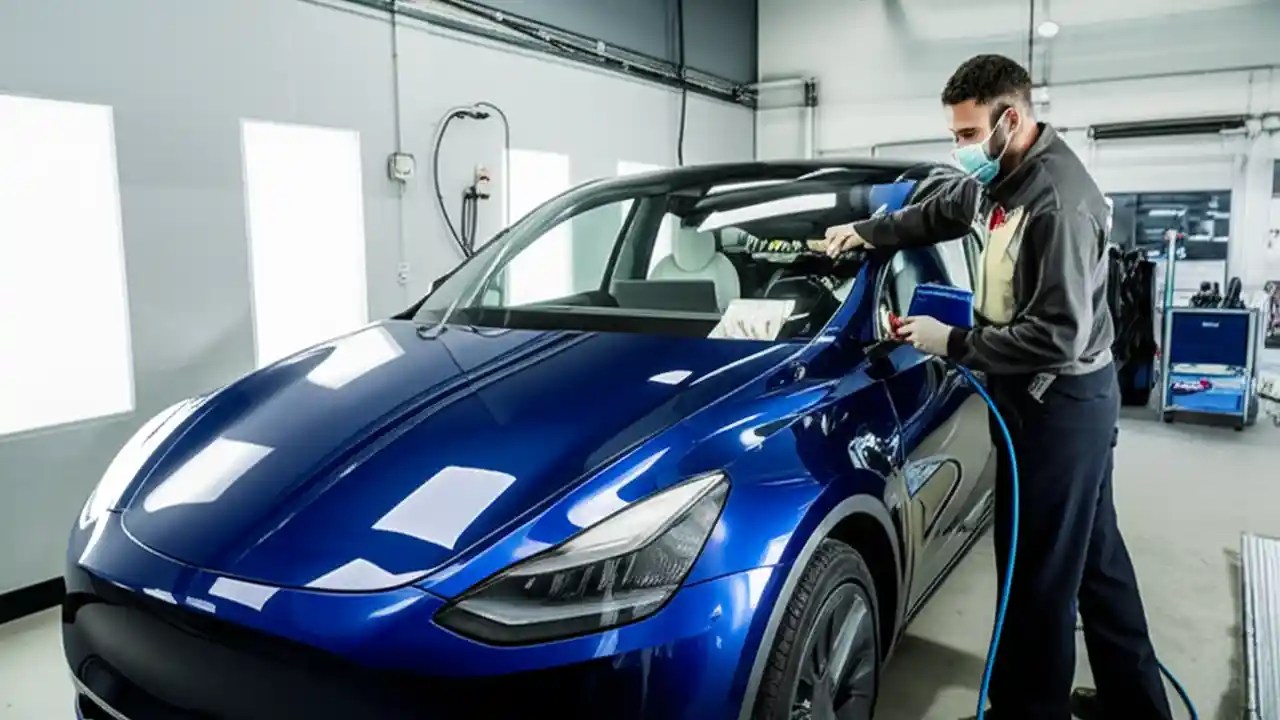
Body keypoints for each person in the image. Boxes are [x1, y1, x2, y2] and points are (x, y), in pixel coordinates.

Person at [824, 54, 1175, 720]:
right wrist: (867, 232)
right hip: (1044, 398)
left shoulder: (1058, 203)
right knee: (1095, 563)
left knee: (1035, 577)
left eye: (967, 134)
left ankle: (1025, 712)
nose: (960, 149)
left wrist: (951, 341)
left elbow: (1057, 336)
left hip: (1060, 406)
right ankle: (1136, 706)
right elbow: (939, 212)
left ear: (1009, 119)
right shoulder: (999, 178)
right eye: (954, 135)